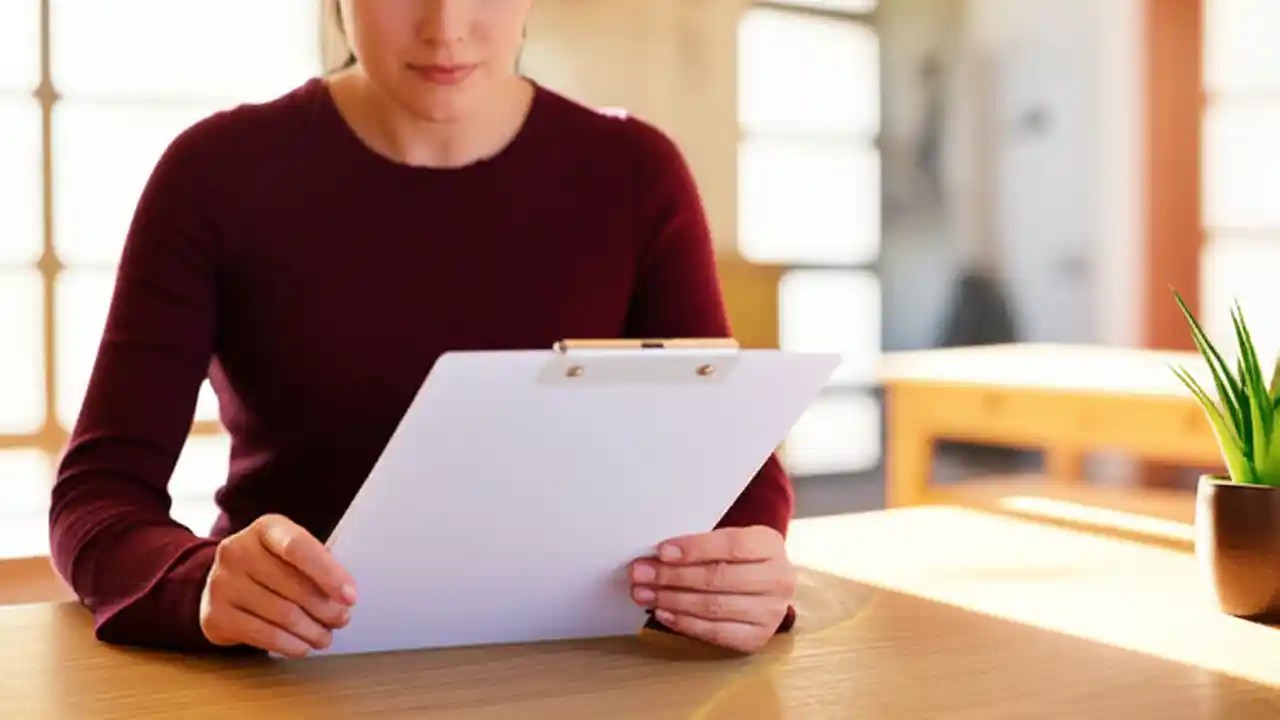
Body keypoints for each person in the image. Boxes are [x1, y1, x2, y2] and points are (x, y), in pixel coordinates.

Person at [49, 0, 798, 658]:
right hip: (283, 671)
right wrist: (200, 585)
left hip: (582, 668)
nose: (446, 27)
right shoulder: (215, 173)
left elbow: (735, 478)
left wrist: (740, 580)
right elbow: (99, 495)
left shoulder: (634, 172)